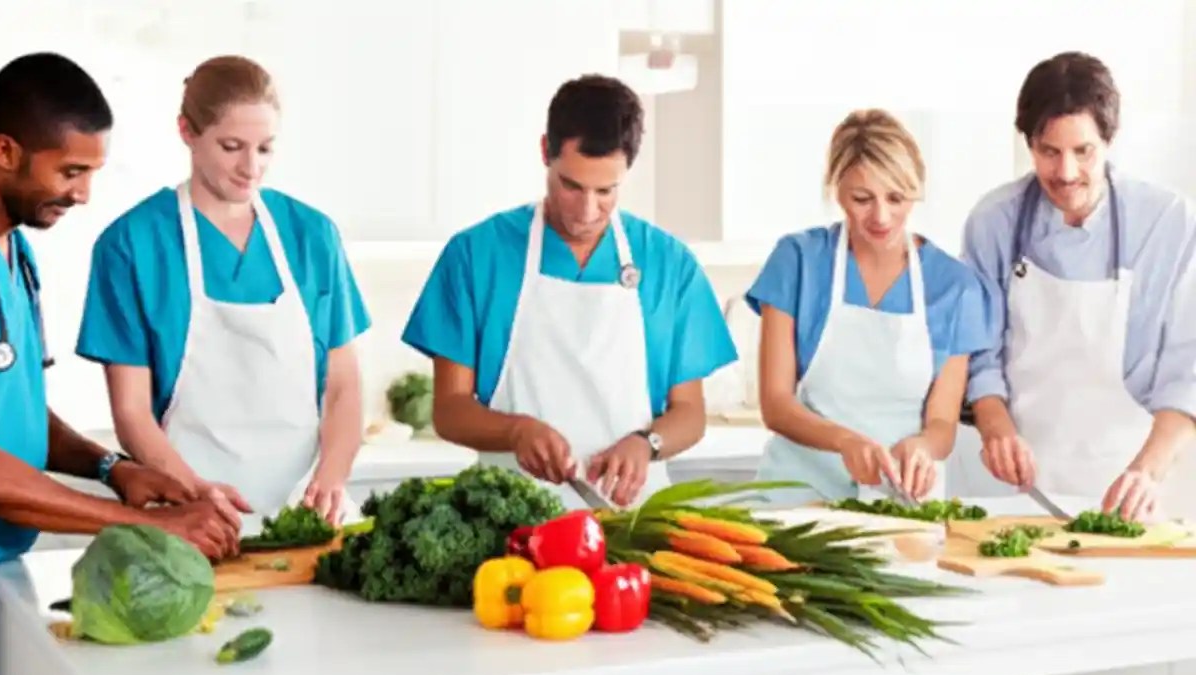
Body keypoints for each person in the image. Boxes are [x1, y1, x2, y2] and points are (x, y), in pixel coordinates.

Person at [0, 53, 242, 675]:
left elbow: (20, 410)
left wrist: (110, 467)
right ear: (5, 151)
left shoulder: (15, 252)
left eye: (91, 172)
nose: (85, 194)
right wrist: (151, 529)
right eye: (70, 171)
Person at [400, 74, 737, 509]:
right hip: (511, 518)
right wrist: (516, 431)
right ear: (546, 152)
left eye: (606, 191)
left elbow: (689, 413)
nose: (586, 210)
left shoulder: (669, 263)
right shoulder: (476, 255)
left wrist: (646, 443)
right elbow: (449, 409)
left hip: (633, 521)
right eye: (571, 185)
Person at [75, 55, 372, 533]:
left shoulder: (312, 235)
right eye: (232, 146)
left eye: (266, 148)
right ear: (187, 132)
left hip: (305, 512)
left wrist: (331, 478)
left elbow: (344, 385)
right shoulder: (132, 244)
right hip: (185, 515)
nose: (250, 167)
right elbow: (130, 409)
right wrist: (194, 493)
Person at [951, 51, 1196, 521]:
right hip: (1022, 485)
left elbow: (1187, 371)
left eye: (1083, 152)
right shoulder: (994, 221)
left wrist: (1147, 470)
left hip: (1140, 484)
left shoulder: (1169, 223)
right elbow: (979, 353)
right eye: (1049, 151)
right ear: (1028, 143)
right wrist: (995, 429)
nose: (1065, 173)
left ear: (1110, 138)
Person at [749, 109, 992, 506]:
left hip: (898, 504)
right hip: (795, 497)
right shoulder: (798, 260)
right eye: (862, 198)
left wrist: (923, 447)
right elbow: (776, 405)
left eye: (896, 198)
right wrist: (843, 440)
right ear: (837, 189)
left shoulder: (955, 286)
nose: (881, 216)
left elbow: (943, 422)